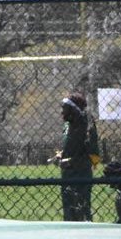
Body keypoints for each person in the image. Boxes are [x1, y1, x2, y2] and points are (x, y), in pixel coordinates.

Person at [48, 92, 101, 222]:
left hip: (80, 175)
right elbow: (70, 148)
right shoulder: (67, 126)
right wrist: (60, 155)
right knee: (68, 210)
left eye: (65, 108)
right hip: (67, 175)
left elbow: (93, 156)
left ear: (74, 110)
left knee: (81, 209)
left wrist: (71, 161)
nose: (61, 112)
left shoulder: (86, 125)